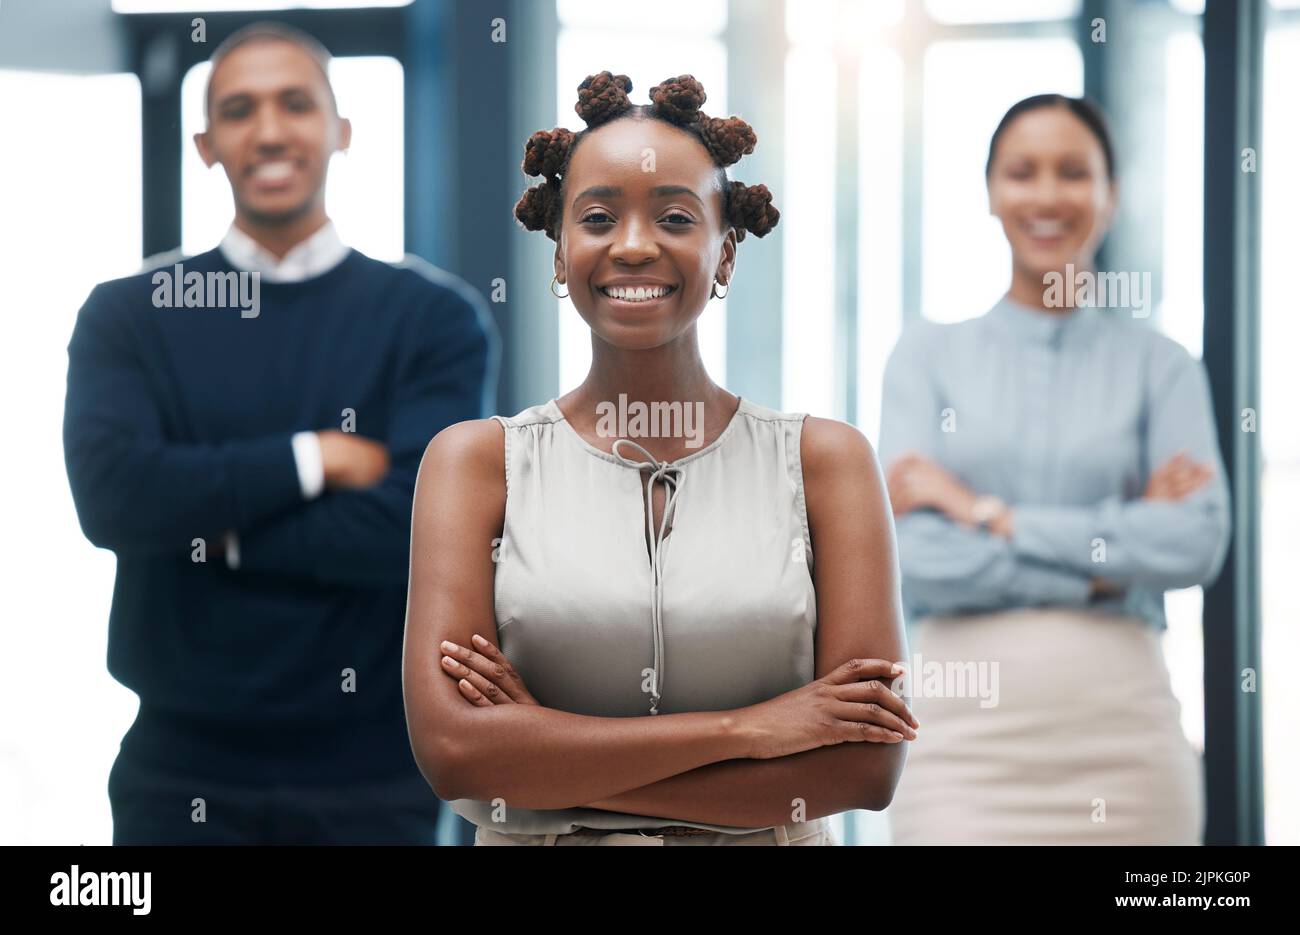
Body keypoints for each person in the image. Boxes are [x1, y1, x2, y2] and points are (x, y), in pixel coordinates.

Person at [402, 71, 918, 846]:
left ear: (726, 254)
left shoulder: (826, 462)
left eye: (675, 216)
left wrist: (541, 749)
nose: (635, 245)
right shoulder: (476, 463)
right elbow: (457, 757)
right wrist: (756, 727)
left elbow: (862, 772)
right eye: (599, 217)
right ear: (559, 250)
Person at [63, 22, 499, 844]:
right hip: (177, 779)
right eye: (239, 109)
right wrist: (315, 458)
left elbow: (414, 530)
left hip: (376, 780)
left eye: (295, 104)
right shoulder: (128, 315)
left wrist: (210, 529)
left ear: (340, 131)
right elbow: (117, 500)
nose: (268, 130)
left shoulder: (435, 320)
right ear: (204, 144)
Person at [878, 94, 1230, 845]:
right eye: (1022, 172)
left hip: (1126, 743)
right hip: (959, 753)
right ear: (990, 192)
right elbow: (913, 559)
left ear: (1110, 193)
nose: (1045, 195)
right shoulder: (926, 355)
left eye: (1073, 172)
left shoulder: (1161, 366)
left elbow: (1194, 542)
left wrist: (984, 513)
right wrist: (1107, 561)